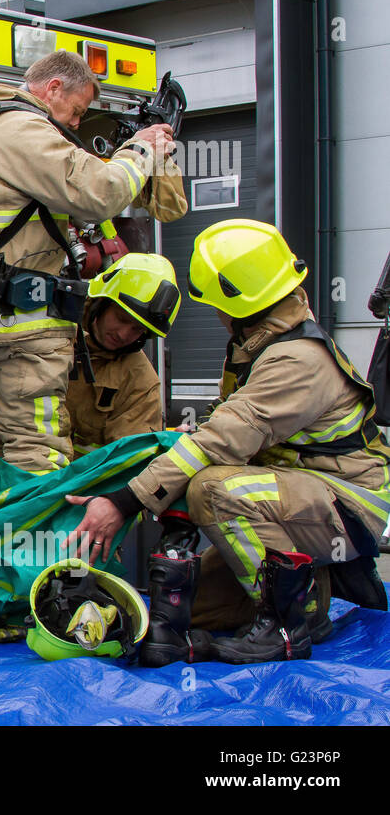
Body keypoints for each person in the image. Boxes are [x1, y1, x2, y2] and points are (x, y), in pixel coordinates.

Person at [67, 219, 390, 665]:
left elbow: (217, 444)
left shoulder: (295, 360)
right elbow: (227, 434)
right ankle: (306, 585)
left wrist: (123, 501)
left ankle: (290, 623)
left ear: (230, 302)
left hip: (347, 503)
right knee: (191, 609)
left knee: (212, 488)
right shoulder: (258, 344)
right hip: (302, 494)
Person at [0, 50, 184, 478]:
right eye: (78, 111)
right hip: (21, 326)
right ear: (53, 88)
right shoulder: (23, 128)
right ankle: (31, 545)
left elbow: (167, 207)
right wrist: (143, 150)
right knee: (36, 455)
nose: (76, 124)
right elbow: (100, 191)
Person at [0, 252, 181, 459]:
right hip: (9, 472)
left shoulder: (139, 381)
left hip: (81, 493)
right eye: (122, 319)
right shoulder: (47, 332)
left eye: (137, 330)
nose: (123, 334)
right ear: (102, 303)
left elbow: (128, 459)